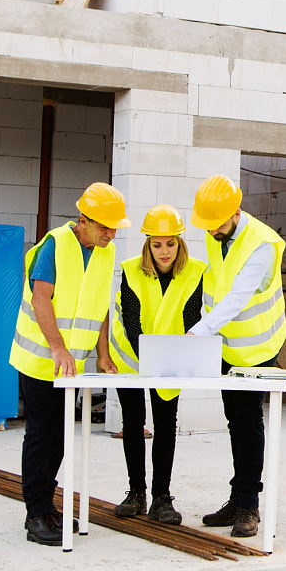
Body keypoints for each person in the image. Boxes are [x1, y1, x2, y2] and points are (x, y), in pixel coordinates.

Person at [9, 182, 128, 547]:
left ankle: (47, 506)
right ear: (84, 220)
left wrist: (103, 353)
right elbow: (41, 298)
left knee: (60, 439)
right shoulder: (54, 245)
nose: (110, 234)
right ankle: (36, 514)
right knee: (41, 436)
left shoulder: (104, 254)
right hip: (39, 360)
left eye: (114, 228)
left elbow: (99, 307)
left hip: (69, 366)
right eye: (105, 227)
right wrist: (58, 348)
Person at [186, 174, 286, 539]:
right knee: (235, 422)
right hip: (228, 346)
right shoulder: (218, 232)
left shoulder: (262, 244)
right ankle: (238, 497)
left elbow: (238, 296)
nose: (210, 232)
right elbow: (214, 283)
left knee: (248, 422)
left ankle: (248, 506)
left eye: (216, 225)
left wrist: (199, 331)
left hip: (258, 348)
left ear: (236, 212)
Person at [103, 205, 206, 525]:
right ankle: (137, 493)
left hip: (170, 359)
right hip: (130, 357)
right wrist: (151, 359)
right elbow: (131, 321)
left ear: (180, 244)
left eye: (170, 244)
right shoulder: (131, 270)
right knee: (133, 424)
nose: (164, 251)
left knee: (165, 424)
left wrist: (184, 359)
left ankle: (162, 497)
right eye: (157, 244)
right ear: (148, 244)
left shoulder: (194, 272)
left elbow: (192, 319)